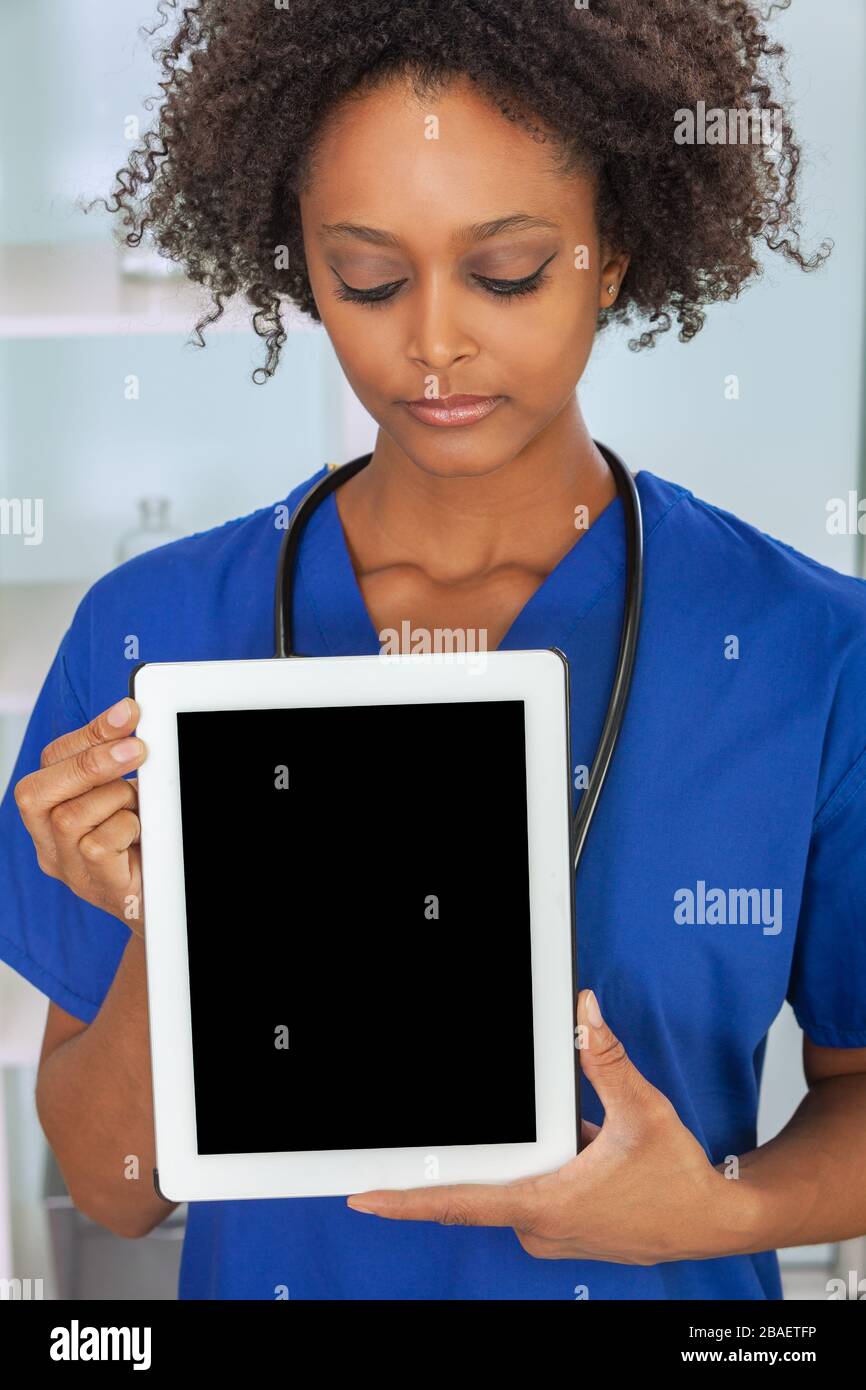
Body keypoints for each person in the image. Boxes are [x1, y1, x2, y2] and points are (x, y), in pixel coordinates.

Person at [2, 0, 865, 1301]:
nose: (434, 341)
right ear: (300, 258)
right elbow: (118, 1188)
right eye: (367, 277)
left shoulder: (809, 651)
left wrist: (703, 1212)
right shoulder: (155, 635)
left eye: (507, 270)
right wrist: (178, 912)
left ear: (614, 249)